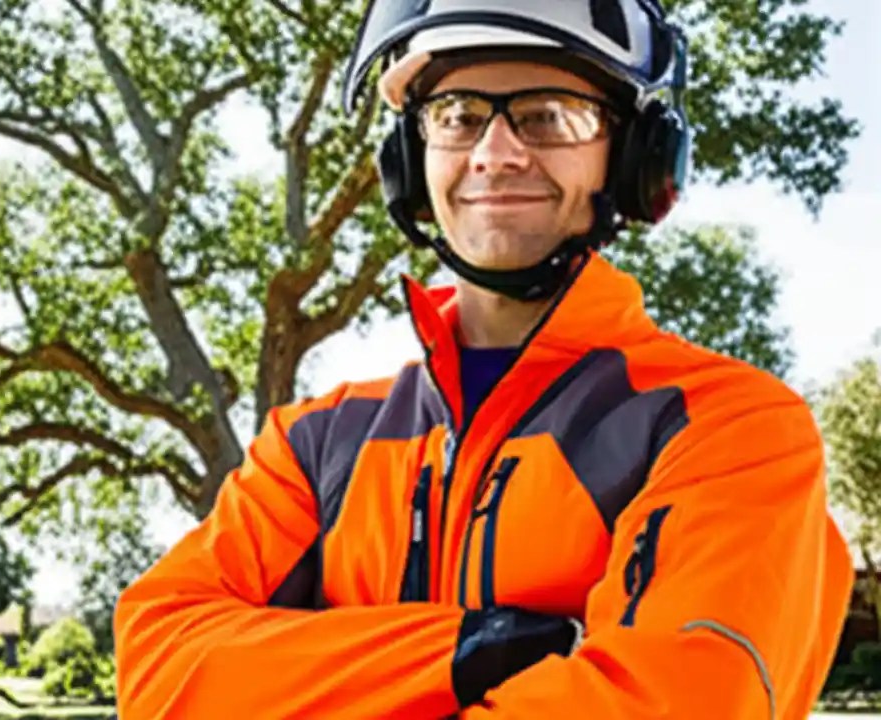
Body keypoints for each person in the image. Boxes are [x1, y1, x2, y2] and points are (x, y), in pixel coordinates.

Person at [113, 1, 853, 717]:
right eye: (458, 116)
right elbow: (158, 664)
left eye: (549, 114)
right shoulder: (311, 445)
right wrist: (474, 651)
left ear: (630, 157)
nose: (496, 153)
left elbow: (678, 703)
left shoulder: (730, 426)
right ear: (411, 159)